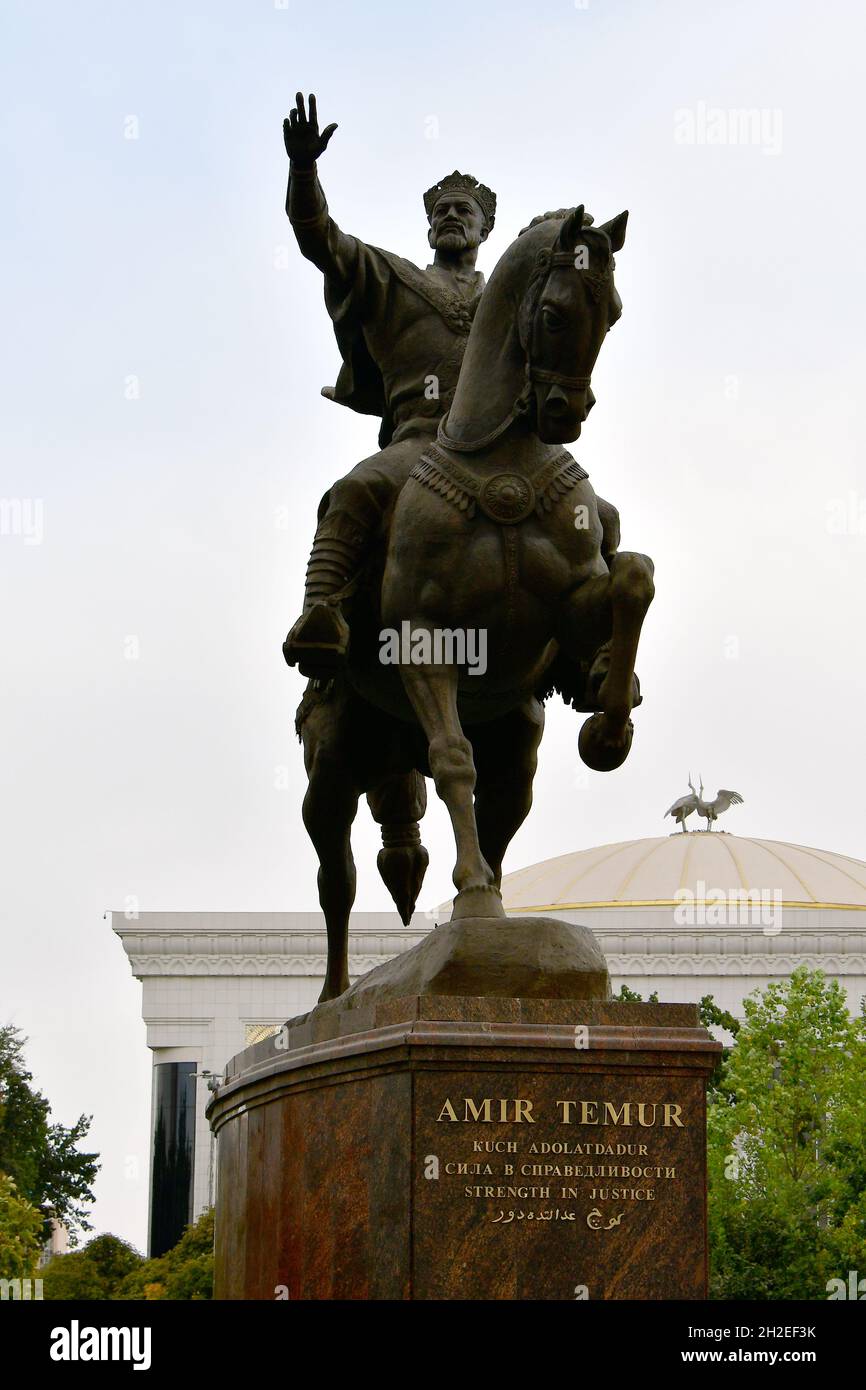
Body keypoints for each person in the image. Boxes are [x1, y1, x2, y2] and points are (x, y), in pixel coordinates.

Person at [281, 92, 497, 677]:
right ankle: (321, 610)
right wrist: (304, 168)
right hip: (422, 444)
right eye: (441, 212)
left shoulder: (505, 301)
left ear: (485, 227)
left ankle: (595, 654)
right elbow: (320, 238)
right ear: (428, 228)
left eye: (464, 211)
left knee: (601, 519)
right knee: (354, 491)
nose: (450, 217)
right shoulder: (392, 278)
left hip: (503, 449)